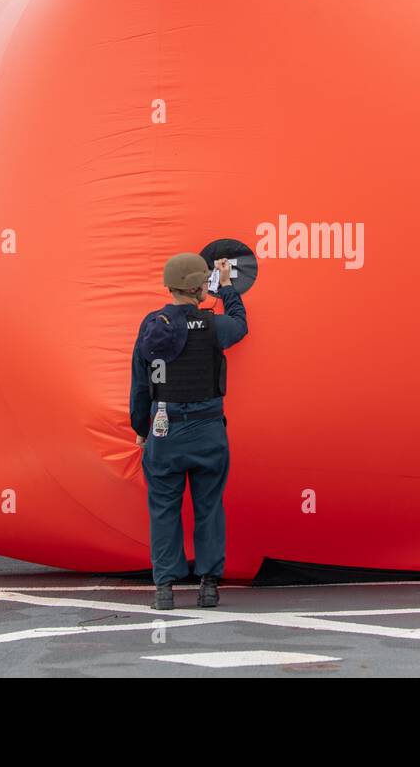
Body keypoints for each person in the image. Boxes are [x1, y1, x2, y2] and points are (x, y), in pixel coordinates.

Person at [129, 254, 248, 610]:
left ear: (169, 286)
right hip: (208, 430)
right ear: (199, 288)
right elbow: (240, 324)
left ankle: (164, 590)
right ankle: (209, 585)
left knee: (164, 508)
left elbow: (139, 384)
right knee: (209, 506)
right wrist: (227, 287)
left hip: (164, 433)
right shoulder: (215, 327)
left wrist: (140, 428)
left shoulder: (152, 325)